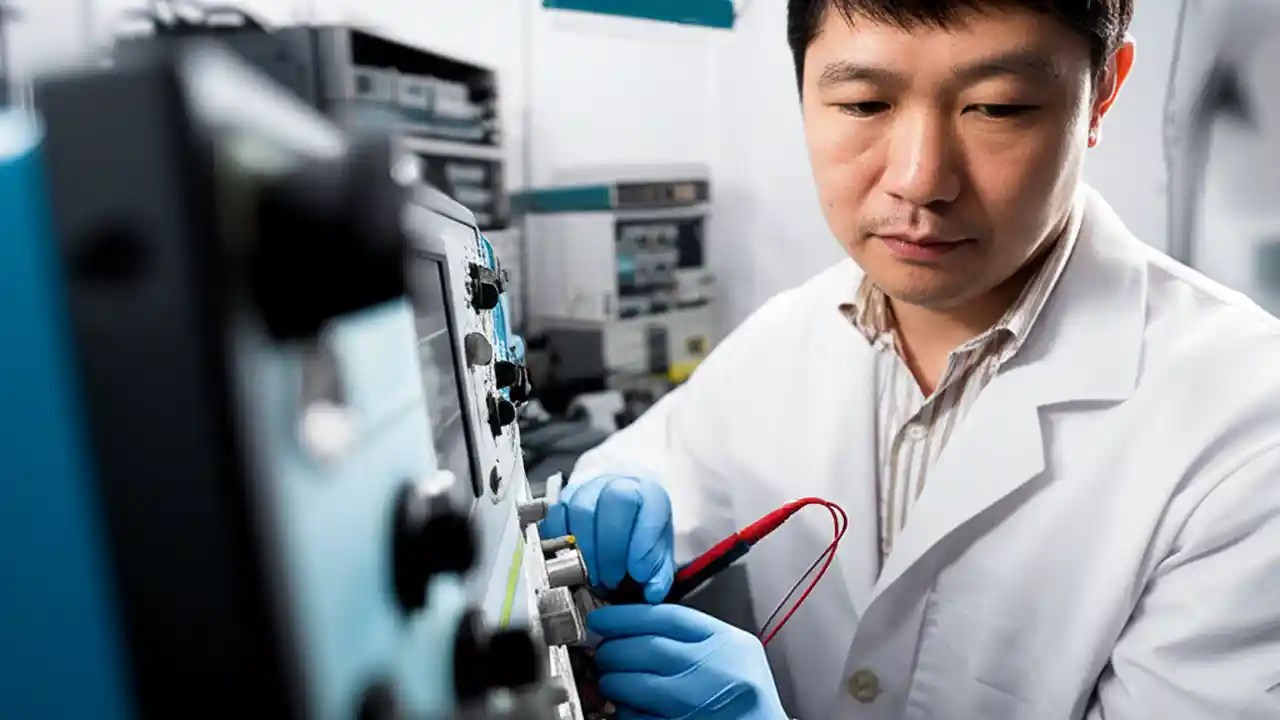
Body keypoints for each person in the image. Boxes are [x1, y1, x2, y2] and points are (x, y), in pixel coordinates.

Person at [539, 1, 1280, 718]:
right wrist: (604, 511)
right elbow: (628, 488)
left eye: (997, 107)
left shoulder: (1247, 421)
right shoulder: (785, 337)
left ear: (1102, 93)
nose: (921, 179)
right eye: (863, 104)